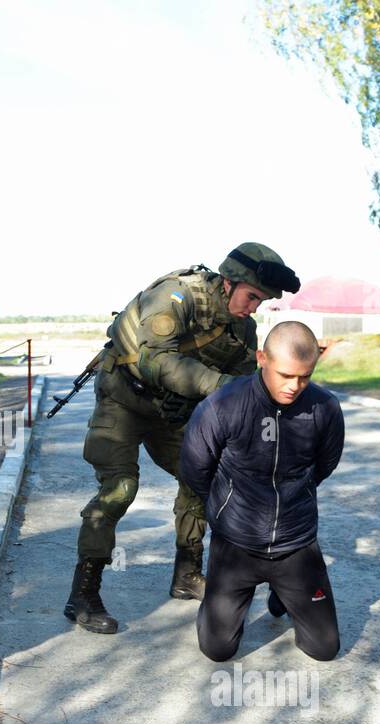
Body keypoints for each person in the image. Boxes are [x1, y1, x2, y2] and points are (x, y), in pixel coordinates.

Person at [64, 243, 301, 634]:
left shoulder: (242, 329)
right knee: (120, 489)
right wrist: (219, 385)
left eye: (262, 301)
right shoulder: (176, 297)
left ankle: (187, 573)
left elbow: (241, 389)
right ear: (229, 283)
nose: (254, 307)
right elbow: (153, 359)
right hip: (122, 402)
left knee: (201, 476)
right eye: (252, 296)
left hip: (169, 413)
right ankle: (83, 593)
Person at [179, 320, 345, 662]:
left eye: (305, 376)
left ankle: (283, 592)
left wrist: (293, 498)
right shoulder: (222, 405)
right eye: (285, 375)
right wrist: (229, 507)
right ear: (261, 358)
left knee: (324, 649)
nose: (294, 386)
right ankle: (222, 605)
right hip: (236, 545)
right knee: (217, 650)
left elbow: (325, 465)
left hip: (295, 544)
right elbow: (196, 469)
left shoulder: (324, 408)